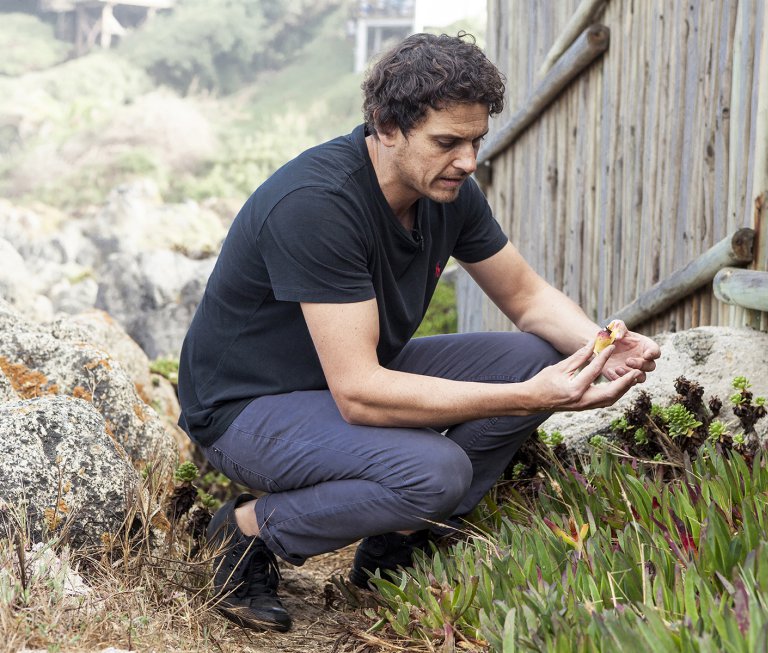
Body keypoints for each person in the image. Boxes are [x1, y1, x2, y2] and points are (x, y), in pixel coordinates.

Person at [177, 32, 660, 633]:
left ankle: (399, 538)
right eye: (447, 142)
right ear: (386, 126)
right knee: (437, 472)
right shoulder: (316, 204)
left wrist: (600, 347)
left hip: (345, 378)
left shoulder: (447, 192)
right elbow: (360, 393)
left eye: (476, 140)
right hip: (246, 409)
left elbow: (527, 297)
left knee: (539, 354)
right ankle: (245, 533)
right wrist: (526, 397)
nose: (468, 161)